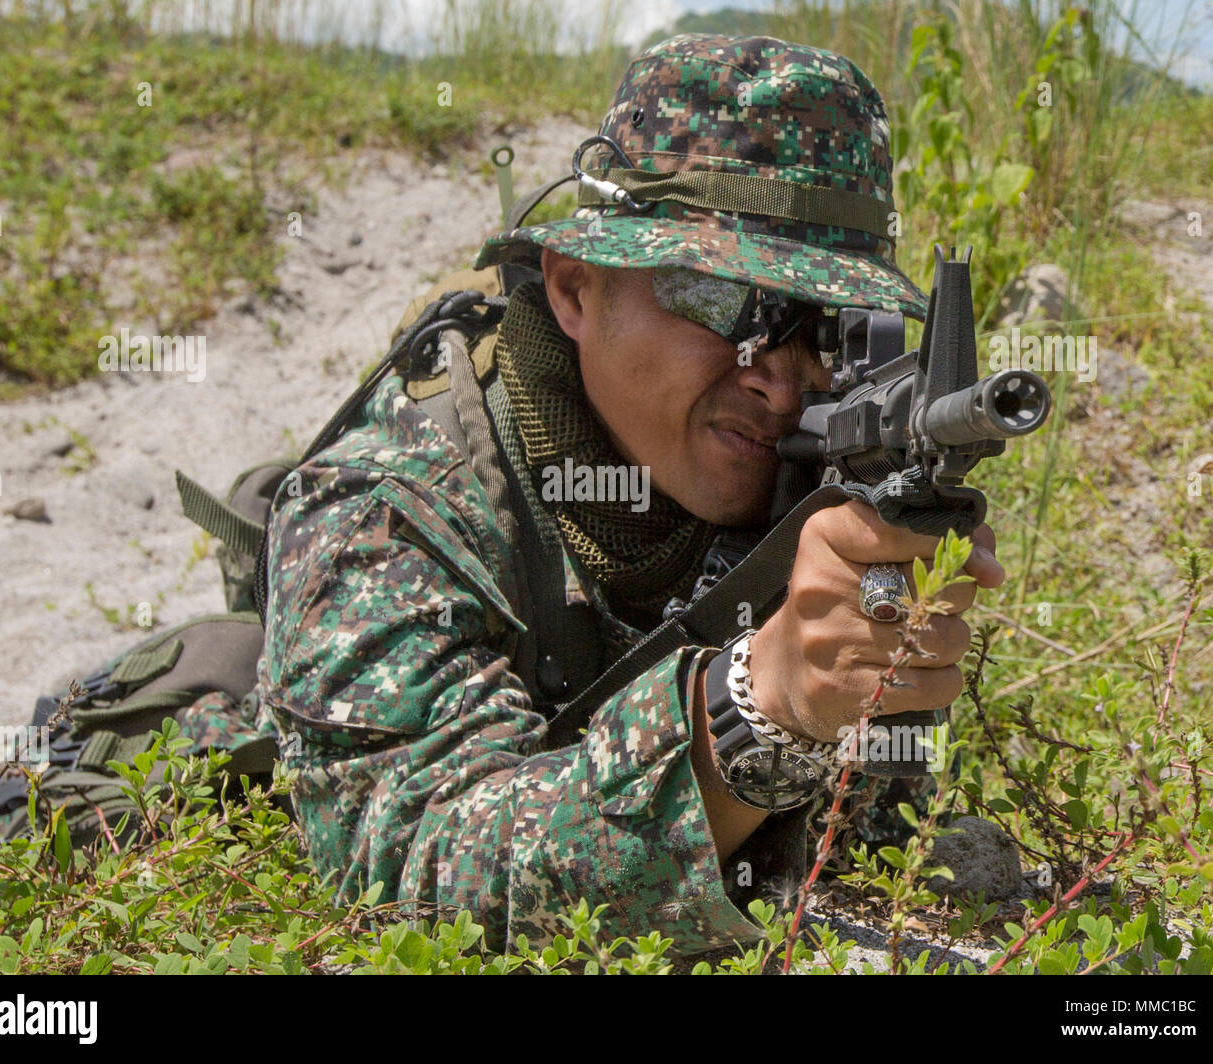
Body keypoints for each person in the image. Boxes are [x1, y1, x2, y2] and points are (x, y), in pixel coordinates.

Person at [254, 33, 1005, 956]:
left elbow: (859, 853)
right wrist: (754, 712)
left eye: (820, 324)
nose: (776, 378)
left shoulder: (816, 480)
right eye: (721, 301)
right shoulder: (385, 505)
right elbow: (411, 875)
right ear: (576, 288)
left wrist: (864, 679)